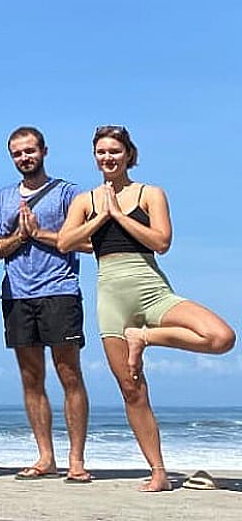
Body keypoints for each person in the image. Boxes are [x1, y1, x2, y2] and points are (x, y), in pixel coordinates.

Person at [57, 125, 235, 493]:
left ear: (129, 155)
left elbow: (162, 241)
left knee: (221, 337)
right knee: (132, 388)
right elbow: (64, 241)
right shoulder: (85, 200)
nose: (108, 158)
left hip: (152, 288)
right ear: (95, 156)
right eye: (101, 152)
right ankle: (158, 471)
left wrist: (119, 216)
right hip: (111, 296)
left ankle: (146, 337)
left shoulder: (150, 193)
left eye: (115, 151)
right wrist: (101, 216)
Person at [0, 127, 91, 483]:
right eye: (17, 153)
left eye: (29, 151)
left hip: (59, 290)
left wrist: (40, 234)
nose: (24, 158)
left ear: (44, 151)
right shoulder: (1, 199)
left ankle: (76, 460)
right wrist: (19, 235)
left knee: (69, 374)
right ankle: (45, 456)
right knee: (31, 378)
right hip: (17, 294)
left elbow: (86, 242)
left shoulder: (67, 193)